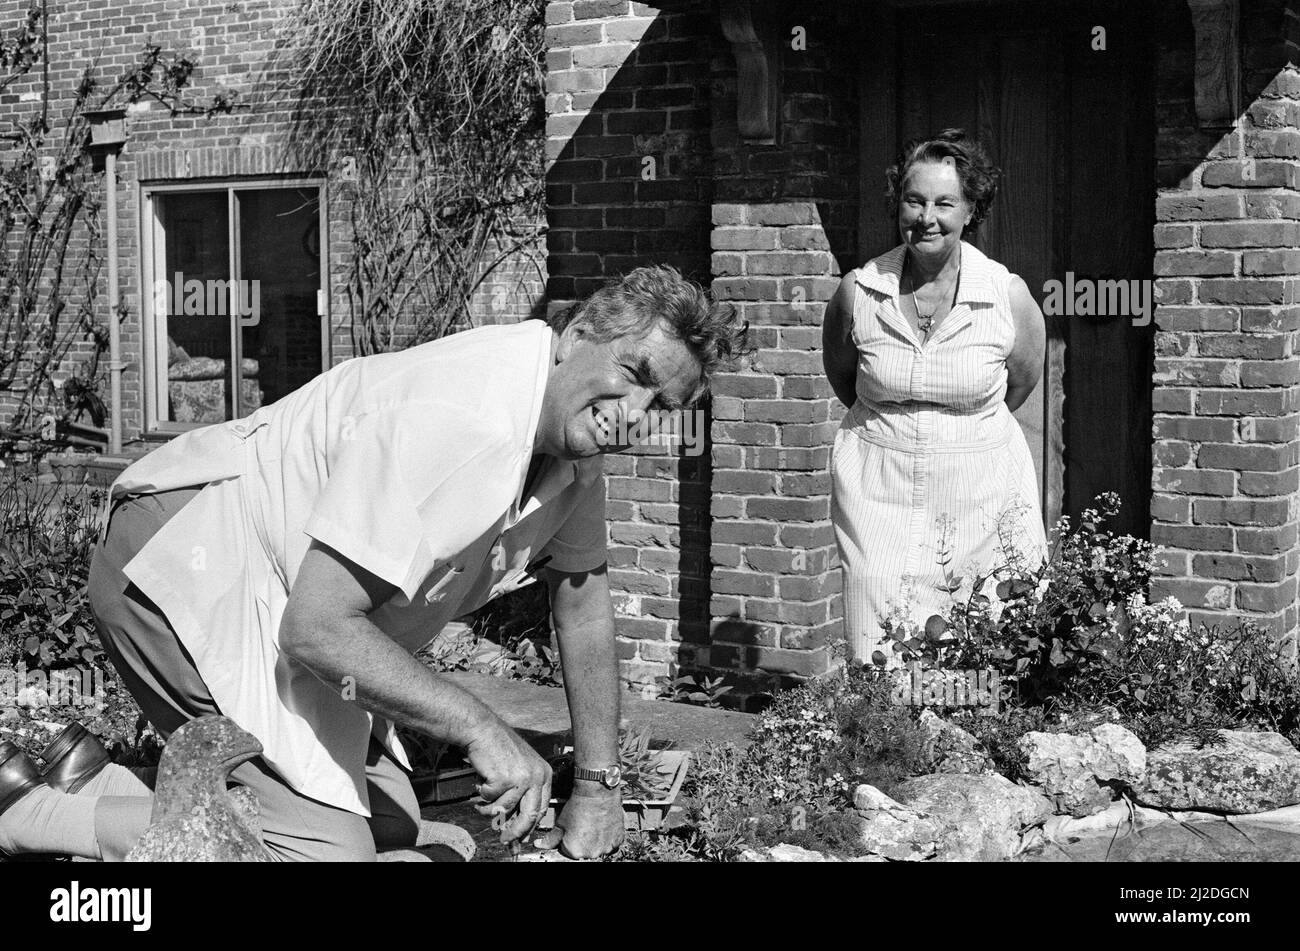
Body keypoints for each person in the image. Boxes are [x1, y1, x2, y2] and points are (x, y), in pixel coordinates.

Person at [0, 265, 748, 861]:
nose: (636, 410)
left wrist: (597, 784)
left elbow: (582, 605)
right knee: (323, 856)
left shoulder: (571, 459)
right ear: (578, 331)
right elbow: (317, 630)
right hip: (181, 556)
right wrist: (482, 727)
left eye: (661, 404)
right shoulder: (471, 414)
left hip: (285, 594)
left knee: (395, 824)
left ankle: (99, 780)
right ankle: (33, 814)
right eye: (634, 371)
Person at [822, 129, 1048, 664]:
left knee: (981, 636)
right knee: (877, 637)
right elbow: (843, 375)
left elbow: (1020, 380)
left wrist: (955, 428)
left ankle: (971, 745)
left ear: (971, 210)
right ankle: (889, 745)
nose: (927, 217)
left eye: (945, 202)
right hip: (878, 482)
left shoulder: (1004, 295)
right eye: (914, 200)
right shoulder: (859, 290)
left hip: (981, 488)